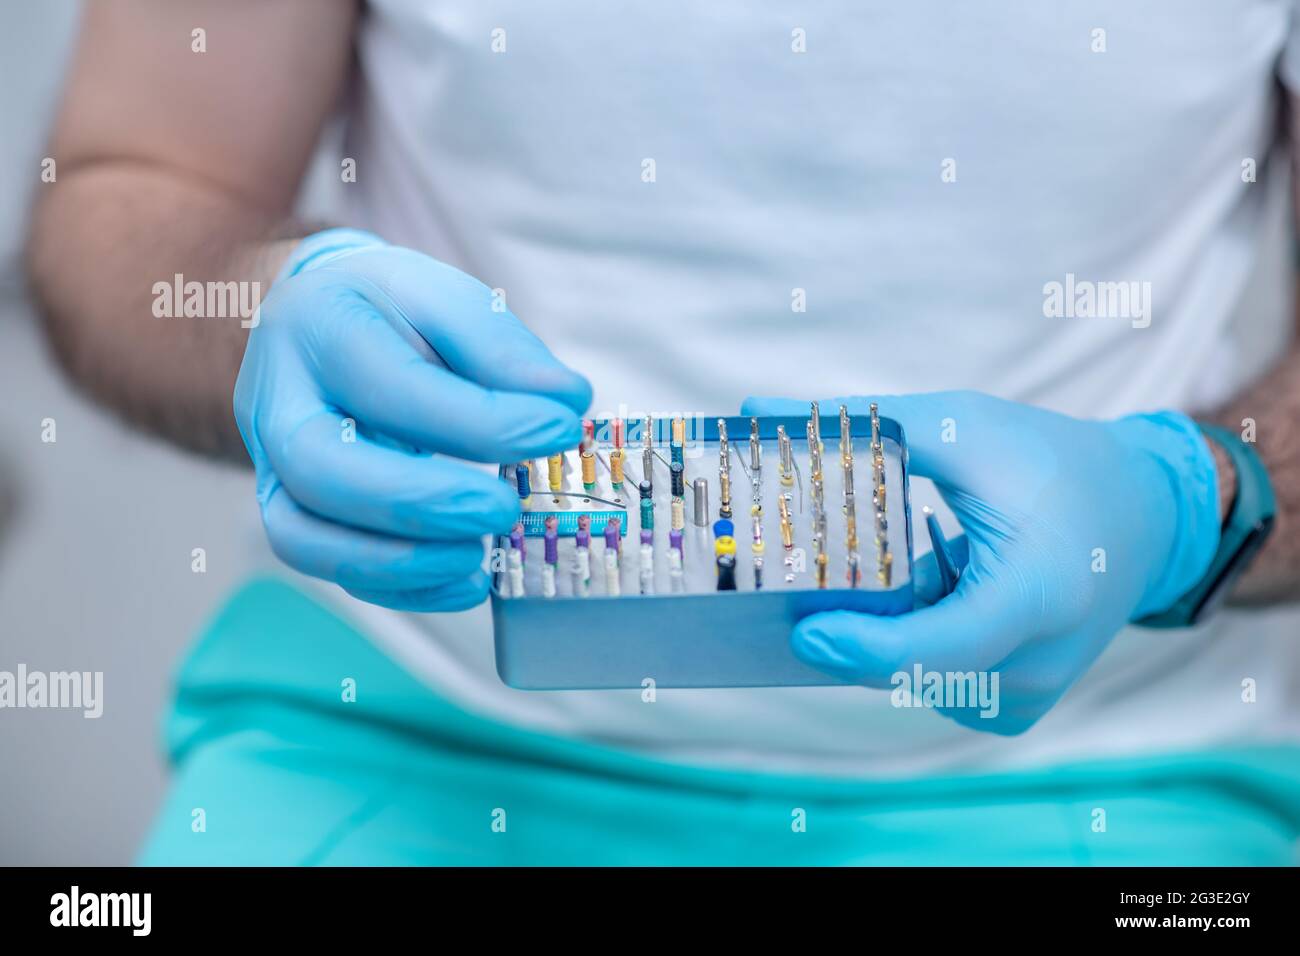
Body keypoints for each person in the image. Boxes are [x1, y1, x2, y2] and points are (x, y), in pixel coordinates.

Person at [26, 0, 1300, 864]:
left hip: (1114, 782)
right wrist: (261, 316)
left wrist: (1197, 502)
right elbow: (134, 181)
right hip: (397, 725)